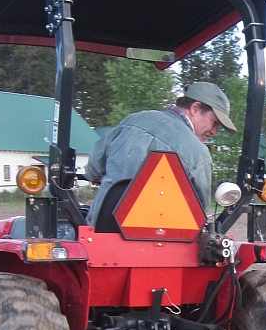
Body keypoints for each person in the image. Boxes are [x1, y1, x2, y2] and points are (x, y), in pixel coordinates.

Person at [84, 82, 237, 225]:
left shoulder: (132, 121)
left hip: (98, 233)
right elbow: (198, 216)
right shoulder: (199, 155)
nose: (215, 132)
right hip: (158, 246)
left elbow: (93, 170)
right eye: (214, 122)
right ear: (195, 108)